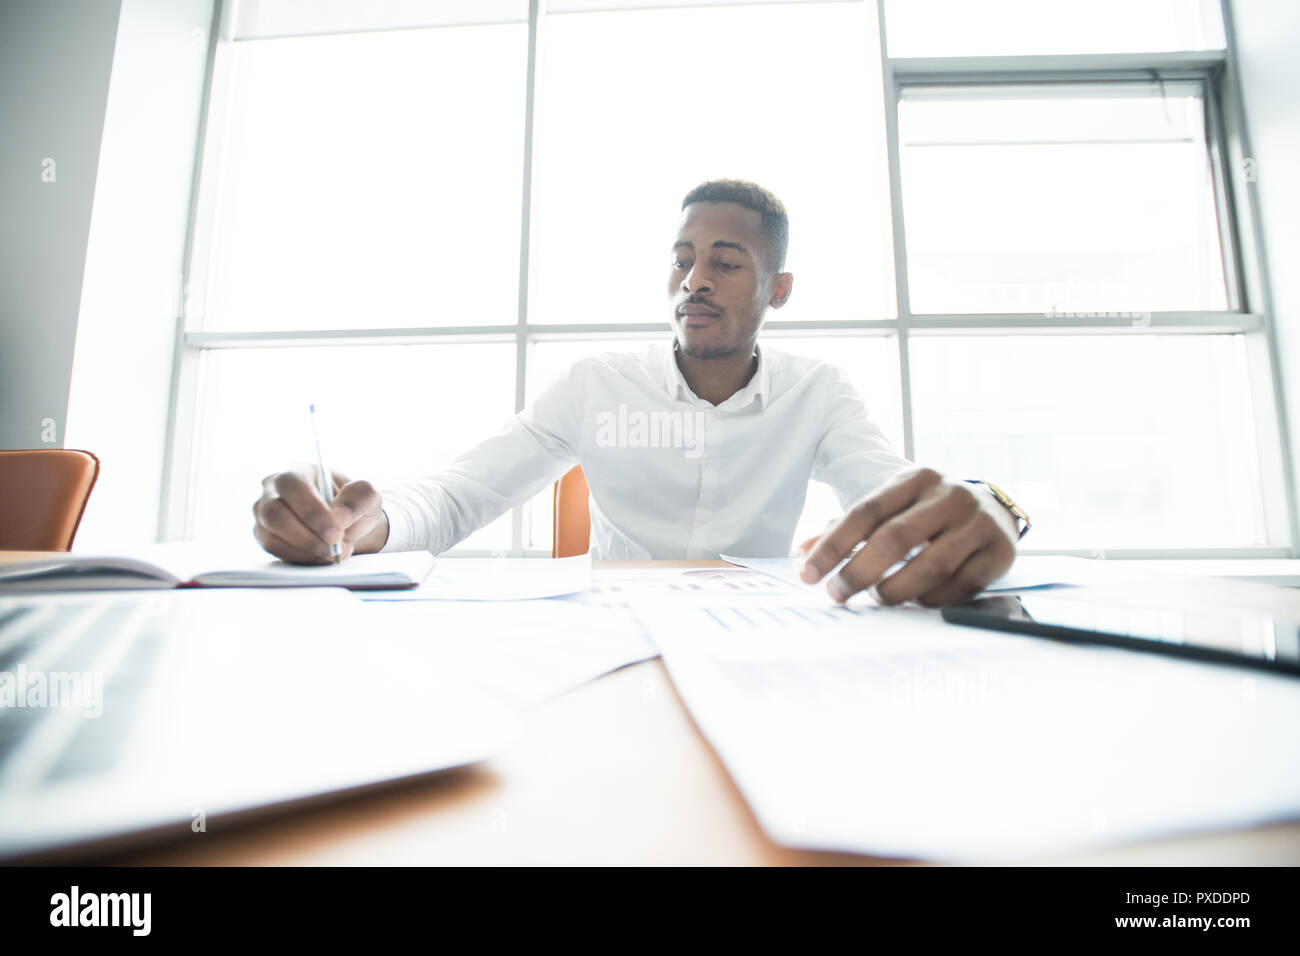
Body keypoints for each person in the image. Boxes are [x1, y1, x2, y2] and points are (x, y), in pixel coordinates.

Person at [252, 180, 1028, 606]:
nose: (694, 280)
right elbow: (457, 498)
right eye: (683, 259)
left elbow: (899, 492)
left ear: (778, 289)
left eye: (726, 262)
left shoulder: (819, 394)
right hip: (612, 640)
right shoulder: (596, 386)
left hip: (753, 645)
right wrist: (368, 521)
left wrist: (982, 504)